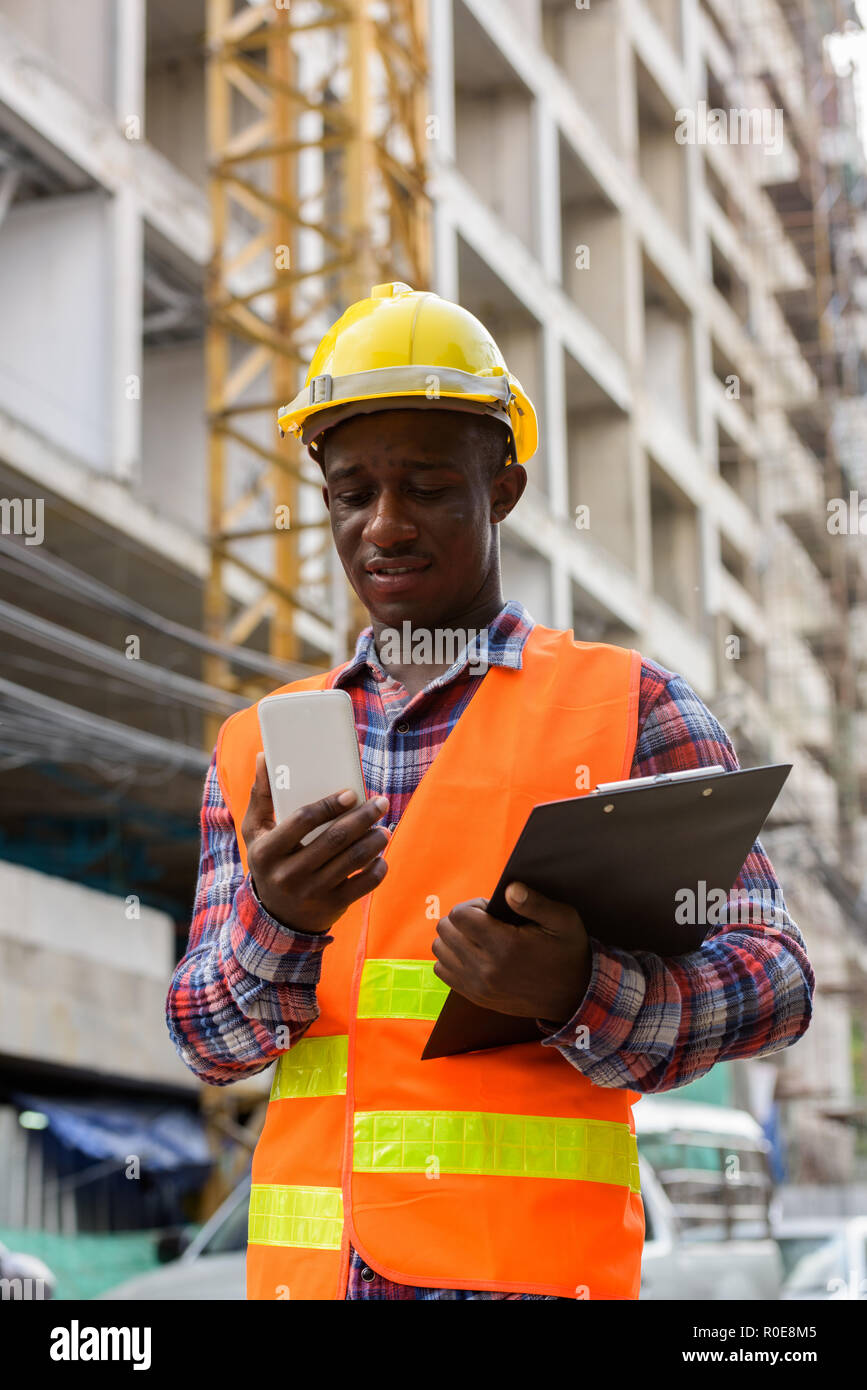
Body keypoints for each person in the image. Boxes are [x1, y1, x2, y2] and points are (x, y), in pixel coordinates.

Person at [167, 283, 813, 1301]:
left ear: (502, 487)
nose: (383, 525)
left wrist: (578, 991)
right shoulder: (254, 748)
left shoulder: (631, 707)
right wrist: (278, 924)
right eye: (351, 492)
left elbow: (774, 982)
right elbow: (208, 1042)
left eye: (426, 487)